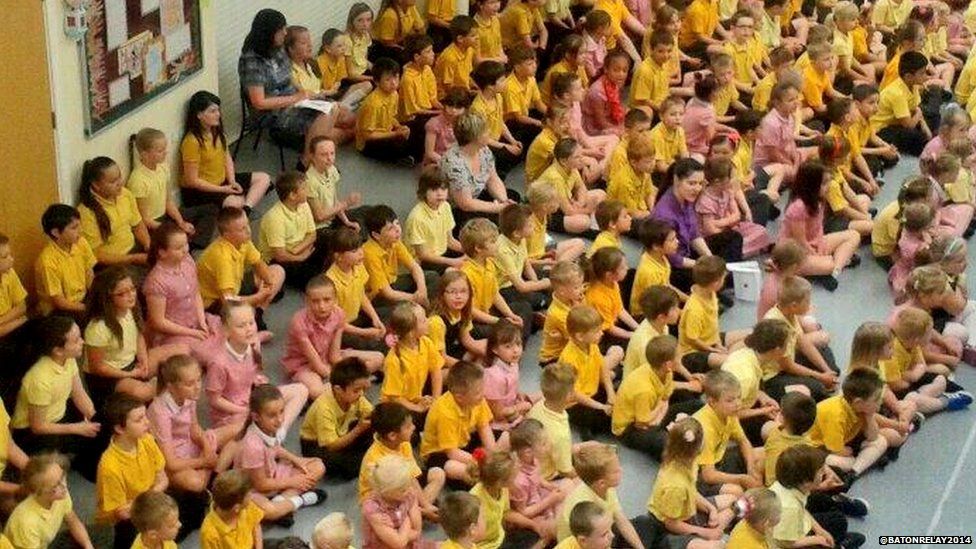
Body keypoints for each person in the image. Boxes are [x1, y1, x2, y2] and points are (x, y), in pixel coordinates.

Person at [239, 9, 347, 157]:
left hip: (293, 99)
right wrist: (295, 98)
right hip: (271, 112)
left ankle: (312, 145)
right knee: (329, 113)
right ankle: (307, 162)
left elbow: (288, 78)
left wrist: (304, 93)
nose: (285, 33)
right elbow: (259, 103)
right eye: (281, 30)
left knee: (342, 113)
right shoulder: (253, 61)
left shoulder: (278, 49)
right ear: (269, 33)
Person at [10, 317, 99, 479]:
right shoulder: (39, 378)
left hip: (59, 417)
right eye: (76, 340)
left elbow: (79, 394)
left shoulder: (69, 359)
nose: (82, 342)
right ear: (57, 350)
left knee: (95, 434)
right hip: (32, 433)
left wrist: (95, 418)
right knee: (51, 470)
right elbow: (38, 426)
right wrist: (76, 428)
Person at [634, 417, 736, 549]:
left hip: (685, 512)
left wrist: (710, 509)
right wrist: (706, 533)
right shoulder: (676, 485)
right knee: (716, 545)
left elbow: (691, 491)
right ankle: (709, 533)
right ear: (698, 447)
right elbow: (671, 524)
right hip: (666, 529)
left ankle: (712, 530)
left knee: (733, 500)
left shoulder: (688, 460)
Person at [207, 302, 308, 434]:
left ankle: (279, 433)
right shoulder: (218, 362)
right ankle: (261, 434)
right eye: (241, 326)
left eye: (251, 323)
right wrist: (243, 410)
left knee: (301, 390)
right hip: (233, 413)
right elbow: (215, 400)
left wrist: (258, 380)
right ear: (226, 330)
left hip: (254, 400)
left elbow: (254, 374)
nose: (249, 329)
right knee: (244, 427)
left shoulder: (252, 348)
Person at [234, 385, 326, 523]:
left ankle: (281, 502)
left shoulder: (269, 428)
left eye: (281, 412)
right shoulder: (252, 446)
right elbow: (261, 485)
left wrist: (296, 460)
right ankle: (300, 500)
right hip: (254, 489)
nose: (279, 419)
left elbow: (275, 448)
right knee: (268, 511)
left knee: (318, 465)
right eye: (272, 415)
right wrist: (293, 481)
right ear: (256, 416)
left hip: (273, 475)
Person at [148, 355, 239, 494]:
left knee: (240, 429)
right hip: (172, 459)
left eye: (199, 380)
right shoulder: (160, 412)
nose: (197, 387)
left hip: (191, 446)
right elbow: (171, 462)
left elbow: (195, 429)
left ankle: (214, 473)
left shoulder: (189, 396)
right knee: (195, 483)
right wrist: (204, 461)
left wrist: (207, 447)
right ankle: (215, 471)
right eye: (190, 383)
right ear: (171, 386)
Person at [282, 275, 383, 399]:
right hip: (305, 364)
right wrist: (342, 375)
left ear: (335, 299)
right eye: (315, 301)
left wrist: (342, 369)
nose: (322, 306)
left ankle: (344, 388)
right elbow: (317, 365)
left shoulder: (339, 314)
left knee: (378, 358)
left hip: (327, 356)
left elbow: (334, 356)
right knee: (316, 391)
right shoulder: (299, 322)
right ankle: (351, 385)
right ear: (307, 301)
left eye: (327, 300)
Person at [653, 159, 742, 292]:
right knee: (708, 275)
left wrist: (710, 258)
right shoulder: (665, 214)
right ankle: (722, 280)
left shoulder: (686, 199)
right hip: (673, 267)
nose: (697, 188)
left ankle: (722, 279)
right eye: (692, 183)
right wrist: (702, 266)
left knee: (734, 237)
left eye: (700, 183)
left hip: (688, 252)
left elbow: (694, 234)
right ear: (677, 180)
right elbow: (673, 258)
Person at [95, 394, 169, 549]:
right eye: (139, 420)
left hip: (145, 501)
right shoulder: (109, 465)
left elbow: (163, 478)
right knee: (135, 536)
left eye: (145, 417)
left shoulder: (147, 440)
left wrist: (150, 497)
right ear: (119, 428)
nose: (147, 423)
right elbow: (121, 513)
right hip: (124, 520)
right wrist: (152, 497)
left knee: (193, 498)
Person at [180, 91, 272, 213]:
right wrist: (223, 190)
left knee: (264, 178)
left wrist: (232, 181)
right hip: (201, 191)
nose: (218, 114)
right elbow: (192, 181)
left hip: (222, 181)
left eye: (218, 110)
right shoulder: (192, 141)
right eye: (212, 111)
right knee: (237, 202)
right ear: (199, 115)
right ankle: (242, 207)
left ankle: (246, 209)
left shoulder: (218, 132)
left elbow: (227, 159)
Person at [614, 335, 703, 461]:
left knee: (697, 405)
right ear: (668, 364)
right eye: (678, 357)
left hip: (654, 412)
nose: (681, 358)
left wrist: (660, 412)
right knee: (665, 442)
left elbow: (665, 398)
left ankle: (672, 430)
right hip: (630, 428)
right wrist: (661, 409)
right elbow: (642, 423)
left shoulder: (667, 373)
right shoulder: (644, 390)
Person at [196, 207, 285, 329]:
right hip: (215, 301)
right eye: (242, 229)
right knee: (232, 312)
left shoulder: (243, 241)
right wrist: (258, 296)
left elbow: (258, 263)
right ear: (227, 235)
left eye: (247, 225)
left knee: (278, 271)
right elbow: (228, 301)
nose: (248, 231)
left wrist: (268, 283)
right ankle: (250, 314)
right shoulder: (222, 257)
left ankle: (258, 312)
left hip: (235, 284)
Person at [144, 223, 222, 362]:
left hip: (193, 321)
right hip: (173, 333)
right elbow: (158, 322)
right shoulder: (156, 281)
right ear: (162, 252)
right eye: (179, 248)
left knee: (231, 331)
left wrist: (201, 320)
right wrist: (192, 333)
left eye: (186, 244)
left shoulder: (187, 262)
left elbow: (196, 292)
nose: (185, 250)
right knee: (212, 356)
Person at [779, 161, 861, 291]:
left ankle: (834, 271)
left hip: (814, 243)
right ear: (811, 185)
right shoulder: (798, 207)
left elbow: (819, 228)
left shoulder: (819, 200)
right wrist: (817, 254)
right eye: (824, 183)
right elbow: (800, 241)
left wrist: (820, 246)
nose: (828, 186)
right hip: (795, 252)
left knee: (854, 235)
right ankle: (830, 266)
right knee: (828, 264)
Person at [128, 128, 211, 248]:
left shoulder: (163, 168)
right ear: (145, 154)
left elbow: (168, 201)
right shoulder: (137, 180)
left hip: (166, 216)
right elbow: (145, 220)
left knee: (210, 210)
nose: (165, 152)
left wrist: (180, 222)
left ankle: (189, 244)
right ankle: (183, 244)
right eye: (160, 150)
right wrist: (173, 228)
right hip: (153, 224)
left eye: (165, 149)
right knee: (171, 239)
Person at [770, 445, 866, 549]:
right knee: (828, 536)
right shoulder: (789, 507)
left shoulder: (786, 485)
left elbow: (802, 510)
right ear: (806, 482)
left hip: (794, 528)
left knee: (838, 520)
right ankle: (839, 546)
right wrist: (816, 539)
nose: (824, 472)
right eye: (820, 471)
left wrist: (819, 530)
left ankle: (837, 539)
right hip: (787, 542)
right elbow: (785, 543)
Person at [358, 402, 445, 514]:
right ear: (392, 435)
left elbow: (411, 477)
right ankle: (415, 513)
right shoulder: (375, 459)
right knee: (409, 494)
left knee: (438, 473)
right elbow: (386, 493)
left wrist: (425, 504)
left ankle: (419, 511)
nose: (414, 427)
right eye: (408, 426)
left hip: (401, 485)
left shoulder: (404, 444)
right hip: (381, 497)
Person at [420, 360, 497, 486]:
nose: (482, 394)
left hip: (463, 441)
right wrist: (480, 461)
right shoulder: (445, 413)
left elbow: (484, 427)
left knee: (505, 437)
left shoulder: (477, 400)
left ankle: (481, 474)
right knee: (452, 467)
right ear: (460, 397)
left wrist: (493, 455)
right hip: (440, 452)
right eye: (478, 392)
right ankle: (484, 480)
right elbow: (452, 452)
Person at [556, 443, 646, 548]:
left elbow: (620, 519)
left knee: (644, 523)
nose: (621, 470)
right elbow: (590, 542)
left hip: (602, 531)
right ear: (601, 483)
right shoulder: (584, 505)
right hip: (592, 542)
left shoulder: (606, 488)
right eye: (616, 471)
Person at [299, 357, 374, 479]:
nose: (361, 393)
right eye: (356, 390)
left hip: (341, 432)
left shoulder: (356, 397)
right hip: (316, 446)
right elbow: (332, 446)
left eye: (363, 389)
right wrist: (358, 430)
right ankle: (363, 458)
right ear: (338, 389)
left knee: (373, 428)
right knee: (348, 466)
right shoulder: (323, 408)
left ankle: (363, 456)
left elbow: (371, 413)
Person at [459, 218, 531, 339]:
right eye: (493, 242)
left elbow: (495, 294)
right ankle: (506, 349)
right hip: (474, 323)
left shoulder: (490, 263)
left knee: (524, 307)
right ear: (478, 248)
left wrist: (510, 315)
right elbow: (471, 311)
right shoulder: (466, 274)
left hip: (488, 312)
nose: (497, 245)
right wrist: (498, 321)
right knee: (504, 330)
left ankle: (512, 348)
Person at [3, 453, 94, 549]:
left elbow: (72, 520)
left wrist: (88, 545)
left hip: (44, 544)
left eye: (62, 476)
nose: (64, 486)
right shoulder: (26, 522)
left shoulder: (61, 494)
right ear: (38, 493)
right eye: (55, 486)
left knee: (104, 534)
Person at [443, 112, 516, 229]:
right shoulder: (454, 164)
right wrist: (499, 209)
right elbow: (465, 204)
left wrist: (504, 200)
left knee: (512, 197)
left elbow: (493, 178)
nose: (489, 133)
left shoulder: (483, 150)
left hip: (476, 196)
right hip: (458, 209)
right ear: (475, 137)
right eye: (485, 131)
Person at [694, 370, 763, 494]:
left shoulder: (729, 413)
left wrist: (751, 467)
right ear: (712, 402)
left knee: (762, 454)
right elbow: (708, 475)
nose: (737, 404)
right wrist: (742, 479)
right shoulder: (704, 429)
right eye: (730, 400)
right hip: (698, 476)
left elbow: (742, 440)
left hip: (719, 459)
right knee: (736, 491)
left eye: (739, 397)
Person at [257, 171, 328, 290]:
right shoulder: (274, 218)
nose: (308, 190)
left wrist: (298, 250)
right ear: (292, 195)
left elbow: (313, 234)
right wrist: (300, 257)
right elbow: (280, 255)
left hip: (298, 249)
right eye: (304, 188)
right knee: (314, 279)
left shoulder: (303, 205)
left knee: (329, 238)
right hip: (280, 259)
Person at [561, 305, 623, 438]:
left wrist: (611, 394)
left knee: (622, 401)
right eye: (596, 331)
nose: (601, 333)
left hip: (592, 390)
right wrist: (600, 406)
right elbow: (575, 393)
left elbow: (603, 368)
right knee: (604, 419)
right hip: (576, 403)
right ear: (580, 336)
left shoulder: (592, 345)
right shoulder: (569, 358)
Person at [678, 257, 749, 372]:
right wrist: (712, 349)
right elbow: (692, 340)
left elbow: (714, 325)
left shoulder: (711, 294)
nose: (724, 281)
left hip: (710, 340)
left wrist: (718, 344)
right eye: (723, 278)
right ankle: (725, 358)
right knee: (734, 363)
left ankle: (726, 355)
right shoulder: (694, 309)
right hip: (692, 352)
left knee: (752, 336)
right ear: (716, 283)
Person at [78, 157, 150, 268]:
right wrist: (133, 259)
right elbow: (95, 254)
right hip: (113, 264)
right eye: (113, 181)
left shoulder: (125, 194)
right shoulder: (86, 212)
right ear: (96, 185)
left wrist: (148, 245)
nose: (119, 183)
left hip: (134, 250)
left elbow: (138, 225)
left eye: (119, 177)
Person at [325, 227, 386, 353]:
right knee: (370, 345)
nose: (361, 253)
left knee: (394, 316)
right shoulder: (330, 282)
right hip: (341, 328)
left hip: (357, 317)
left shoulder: (357, 266)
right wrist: (365, 333)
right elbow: (336, 322)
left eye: (360, 247)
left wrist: (375, 318)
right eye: (354, 251)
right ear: (339, 257)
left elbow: (361, 296)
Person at [363, 205, 434, 311]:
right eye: (390, 228)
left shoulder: (394, 242)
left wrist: (422, 290)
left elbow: (414, 267)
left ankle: (427, 312)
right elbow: (386, 293)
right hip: (376, 296)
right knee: (395, 309)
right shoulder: (370, 253)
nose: (397, 230)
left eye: (397, 223)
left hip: (393, 284)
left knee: (431, 277)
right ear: (376, 235)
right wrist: (414, 298)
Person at [380, 302, 444, 418]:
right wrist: (416, 408)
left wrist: (436, 400)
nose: (428, 321)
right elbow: (394, 397)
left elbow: (436, 371)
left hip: (416, 400)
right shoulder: (394, 360)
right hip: (395, 409)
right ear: (410, 333)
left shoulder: (426, 342)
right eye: (423, 320)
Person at [35, 204, 96, 319]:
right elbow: (60, 302)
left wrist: (96, 297)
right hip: (59, 310)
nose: (80, 231)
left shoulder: (81, 242)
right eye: (74, 228)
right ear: (56, 233)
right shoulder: (47, 261)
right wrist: (88, 308)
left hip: (82, 299)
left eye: (79, 225)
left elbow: (89, 273)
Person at [871, 51, 933, 156]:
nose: (926, 76)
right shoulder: (897, 93)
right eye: (922, 73)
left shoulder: (913, 85)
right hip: (880, 129)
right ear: (909, 76)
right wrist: (919, 115)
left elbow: (915, 108)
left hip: (899, 120)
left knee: (931, 116)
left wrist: (924, 126)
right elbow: (909, 125)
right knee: (913, 136)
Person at [361, 454, 427, 548]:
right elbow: (398, 544)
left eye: (408, 484)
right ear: (385, 491)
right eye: (403, 489)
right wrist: (407, 520)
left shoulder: (409, 493)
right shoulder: (372, 508)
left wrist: (402, 534)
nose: (409, 490)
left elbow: (417, 531)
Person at [356, 57, 414, 162]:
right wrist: (395, 134)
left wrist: (400, 127)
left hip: (387, 132)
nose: (393, 83)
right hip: (368, 143)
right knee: (400, 146)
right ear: (377, 82)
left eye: (396, 77)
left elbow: (391, 117)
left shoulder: (394, 94)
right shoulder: (373, 104)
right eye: (388, 79)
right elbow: (368, 135)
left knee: (414, 129)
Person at [404, 170, 464, 272]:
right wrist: (453, 262)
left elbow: (450, 241)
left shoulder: (445, 206)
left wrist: (470, 251)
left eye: (443, 188)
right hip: (422, 262)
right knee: (456, 274)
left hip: (442, 253)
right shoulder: (416, 218)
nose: (440, 193)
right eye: (434, 189)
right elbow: (422, 255)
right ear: (424, 191)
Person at [199, 470, 265, 549]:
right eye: (248, 496)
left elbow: (256, 526)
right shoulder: (209, 532)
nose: (251, 497)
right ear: (237, 508)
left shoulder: (247, 507)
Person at [540, 261, 586, 364]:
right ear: (562, 291)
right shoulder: (557, 314)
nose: (581, 290)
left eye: (581, 285)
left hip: (569, 345)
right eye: (576, 287)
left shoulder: (574, 298)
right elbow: (578, 338)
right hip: (553, 358)